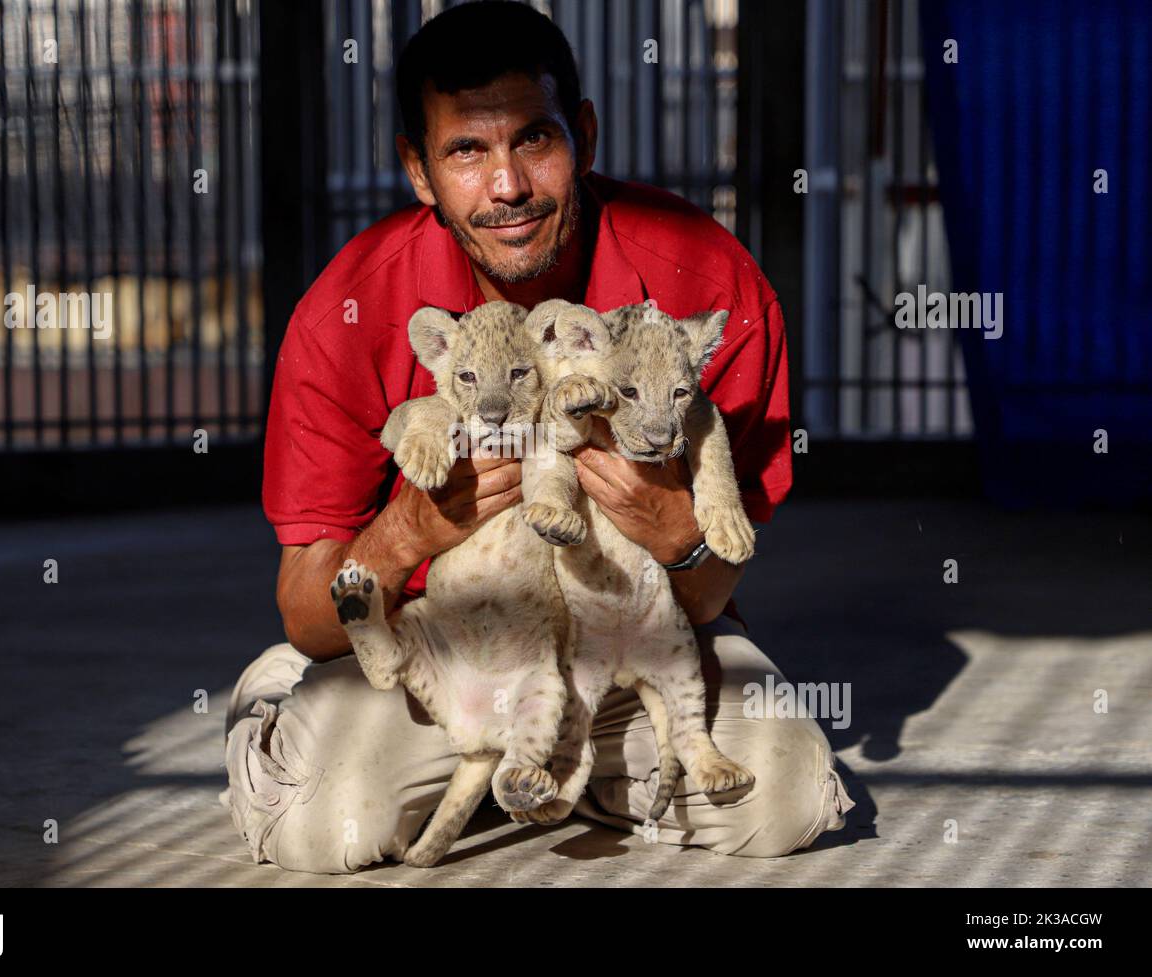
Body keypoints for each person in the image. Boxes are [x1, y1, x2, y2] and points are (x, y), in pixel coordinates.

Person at [223, 0, 854, 874]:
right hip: (447, 644)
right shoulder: (349, 309)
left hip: (628, 636)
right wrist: (410, 529)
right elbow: (305, 606)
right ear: (418, 169)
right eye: (466, 151)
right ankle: (314, 717)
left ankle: (551, 765)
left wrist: (674, 527)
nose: (508, 184)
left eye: (534, 139)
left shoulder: (703, 282)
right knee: (319, 823)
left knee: (783, 796)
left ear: (584, 138)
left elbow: (708, 596)